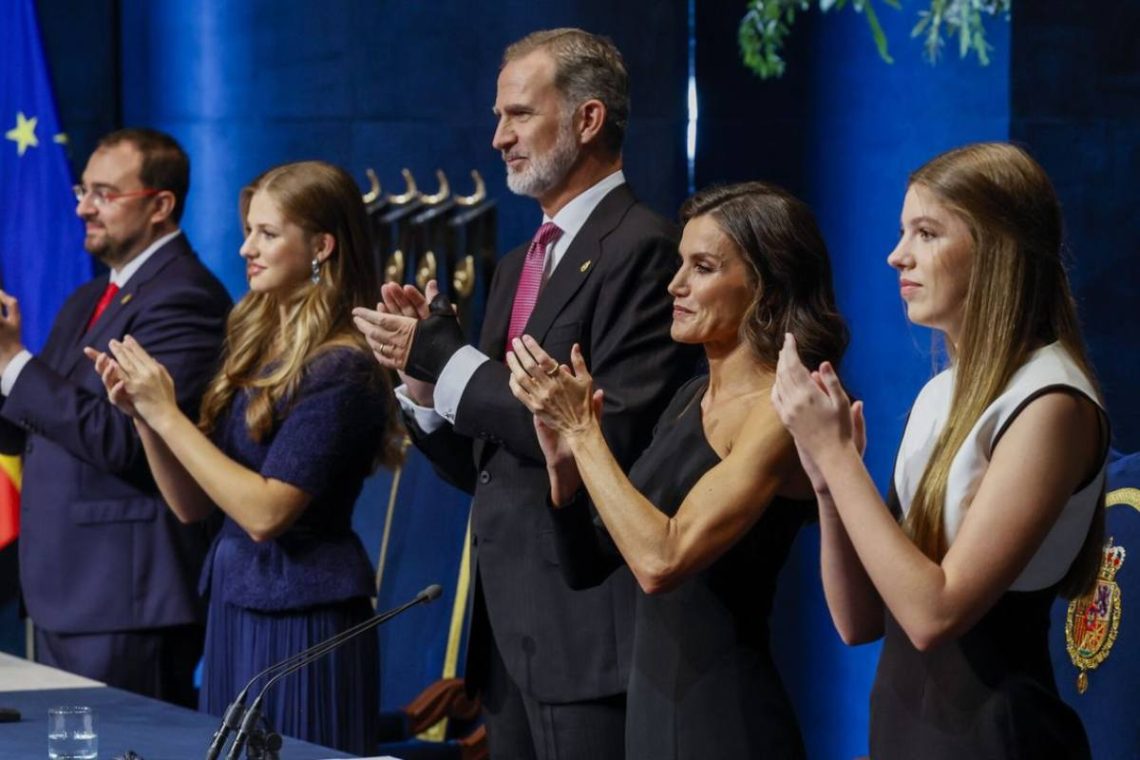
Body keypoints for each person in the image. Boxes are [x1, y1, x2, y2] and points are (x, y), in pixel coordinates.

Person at [353, 28, 699, 759]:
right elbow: (492, 460)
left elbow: (609, 434)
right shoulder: (519, 263)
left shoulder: (644, 248)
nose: (497, 137)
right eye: (498, 116)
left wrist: (448, 362)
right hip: (509, 642)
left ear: (588, 119)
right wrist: (422, 384)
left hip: (588, 635)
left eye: (517, 115)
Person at [771, 142, 1107, 759]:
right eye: (904, 232)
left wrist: (841, 458)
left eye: (926, 233)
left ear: (996, 248)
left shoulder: (1051, 400)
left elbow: (934, 614)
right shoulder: (939, 395)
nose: (897, 256)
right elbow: (860, 620)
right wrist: (825, 478)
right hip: (905, 733)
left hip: (998, 737)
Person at [506, 182, 847, 759]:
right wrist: (564, 468)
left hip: (726, 723)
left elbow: (662, 560)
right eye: (679, 265)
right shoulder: (691, 397)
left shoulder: (779, 411)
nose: (675, 285)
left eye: (703, 268)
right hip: (651, 716)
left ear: (765, 286)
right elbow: (588, 563)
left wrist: (586, 434)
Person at [87, 160, 401, 754]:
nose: (245, 248)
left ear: (321, 246)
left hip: (304, 621)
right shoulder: (254, 342)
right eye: (248, 230)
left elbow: (265, 514)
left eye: (266, 233)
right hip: (235, 608)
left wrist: (168, 414)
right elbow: (190, 505)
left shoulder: (344, 366)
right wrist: (144, 418)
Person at [0, 128, 230, 706]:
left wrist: (14, 362)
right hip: (68, 590)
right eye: (84, 190)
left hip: (127, 599)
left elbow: (129, 440)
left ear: (160, 205)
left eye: (104, 194)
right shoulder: (88, 298)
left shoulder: (185, 298)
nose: (82, 207)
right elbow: (37, 425)